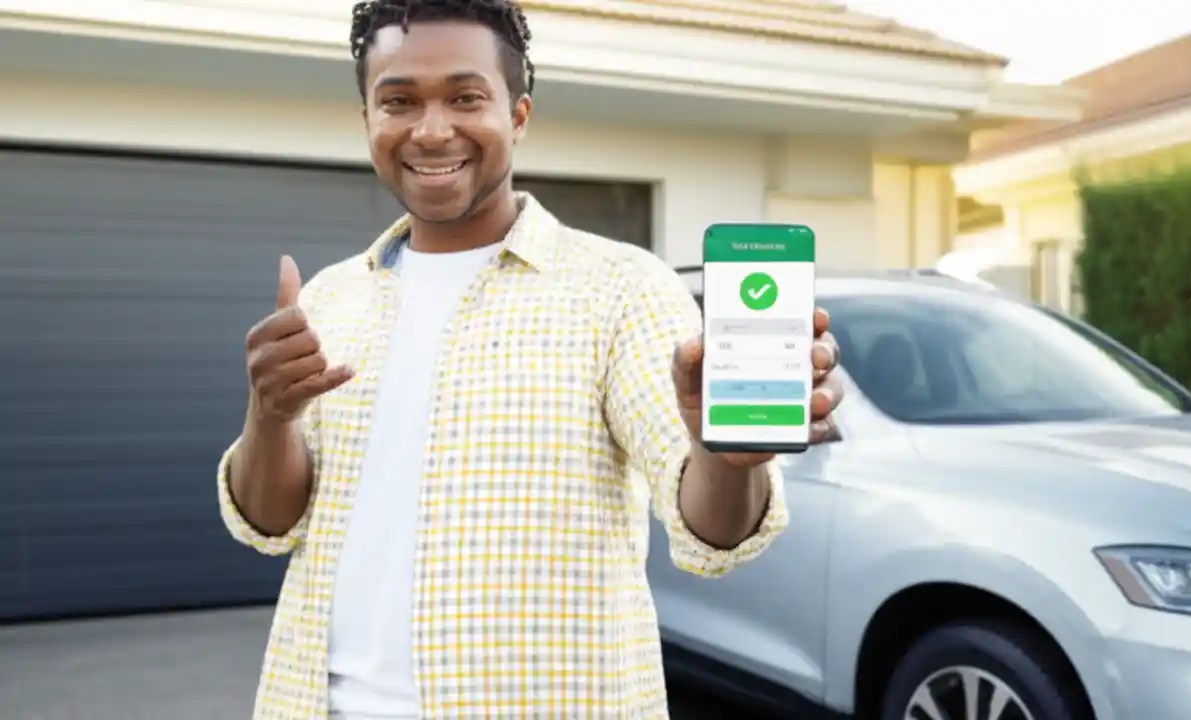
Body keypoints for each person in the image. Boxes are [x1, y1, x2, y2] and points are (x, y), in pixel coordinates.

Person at [216, 0, 845, 718]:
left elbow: (714, 531)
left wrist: (725, 458)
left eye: (464, 97)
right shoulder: (331, 298)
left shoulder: (620, 289)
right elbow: (271, 524)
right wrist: (270, 417)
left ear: (517, 115)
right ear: (368, 120)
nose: (430, 128)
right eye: (398, 101)